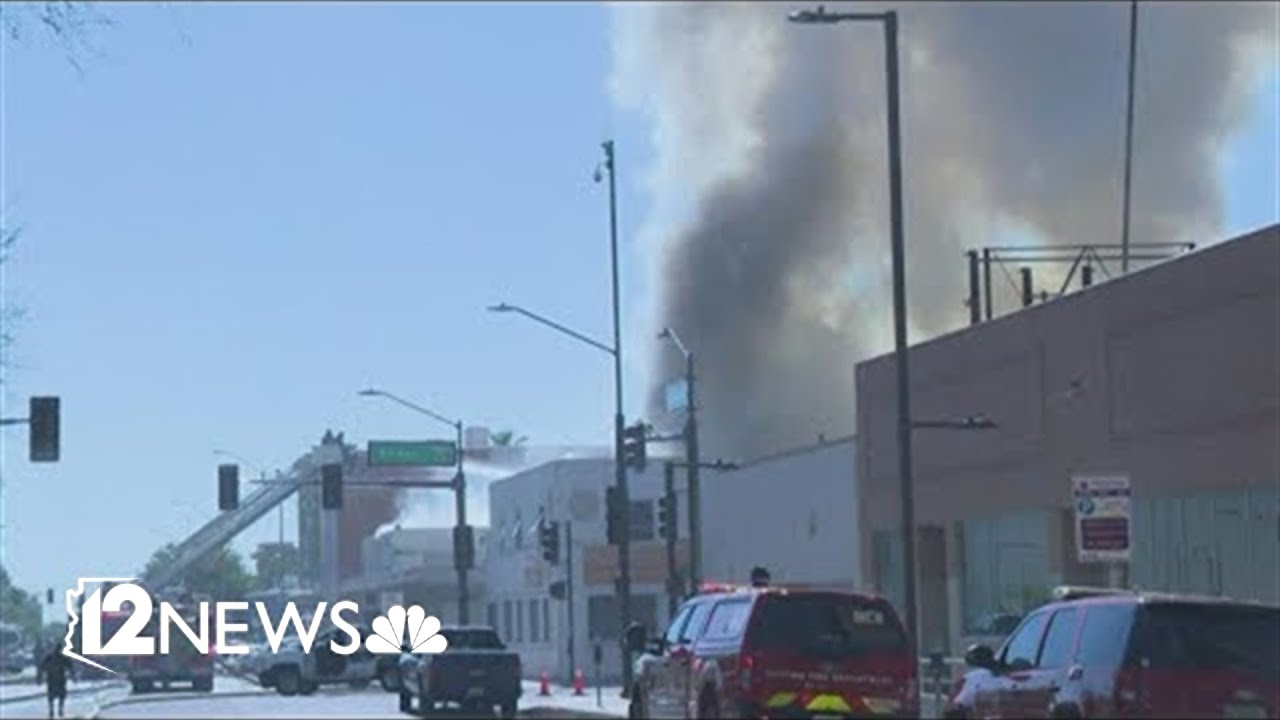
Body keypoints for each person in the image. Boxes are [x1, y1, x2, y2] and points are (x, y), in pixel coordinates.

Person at [39, 646, 74, 719]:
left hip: (52, 679)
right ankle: (59, 710)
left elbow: (42, 666)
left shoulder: (49, 657)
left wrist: (41, 676)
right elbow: (70, 666)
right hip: (59, 679)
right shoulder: (62, 658)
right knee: (61, 695)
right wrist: (72, 674)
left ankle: (52, 710)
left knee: (51, 696)